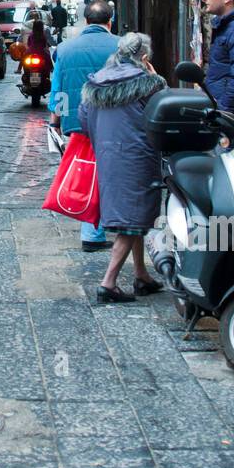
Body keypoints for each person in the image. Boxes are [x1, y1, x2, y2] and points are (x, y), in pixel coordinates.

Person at [78, 32, 167, 303]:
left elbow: (84, 120)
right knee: (131, 220)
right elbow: (162, 117)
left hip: (108, 158)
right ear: (144, 57)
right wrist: (156, 78)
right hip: (138, 159)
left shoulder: (97, 82)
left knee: (133, 216)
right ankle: (109, 282)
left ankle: (141, 275)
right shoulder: (149, 84)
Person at [48, 0, 118, 251]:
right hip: (114, 120)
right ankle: (95, 230)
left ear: (85, 21)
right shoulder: (120, 46)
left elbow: (58, 88)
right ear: (110, 22)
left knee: (86, 172)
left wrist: (56, 120)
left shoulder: (65, 49)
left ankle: (93, 228)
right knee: (110, 173)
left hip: (77, 120)